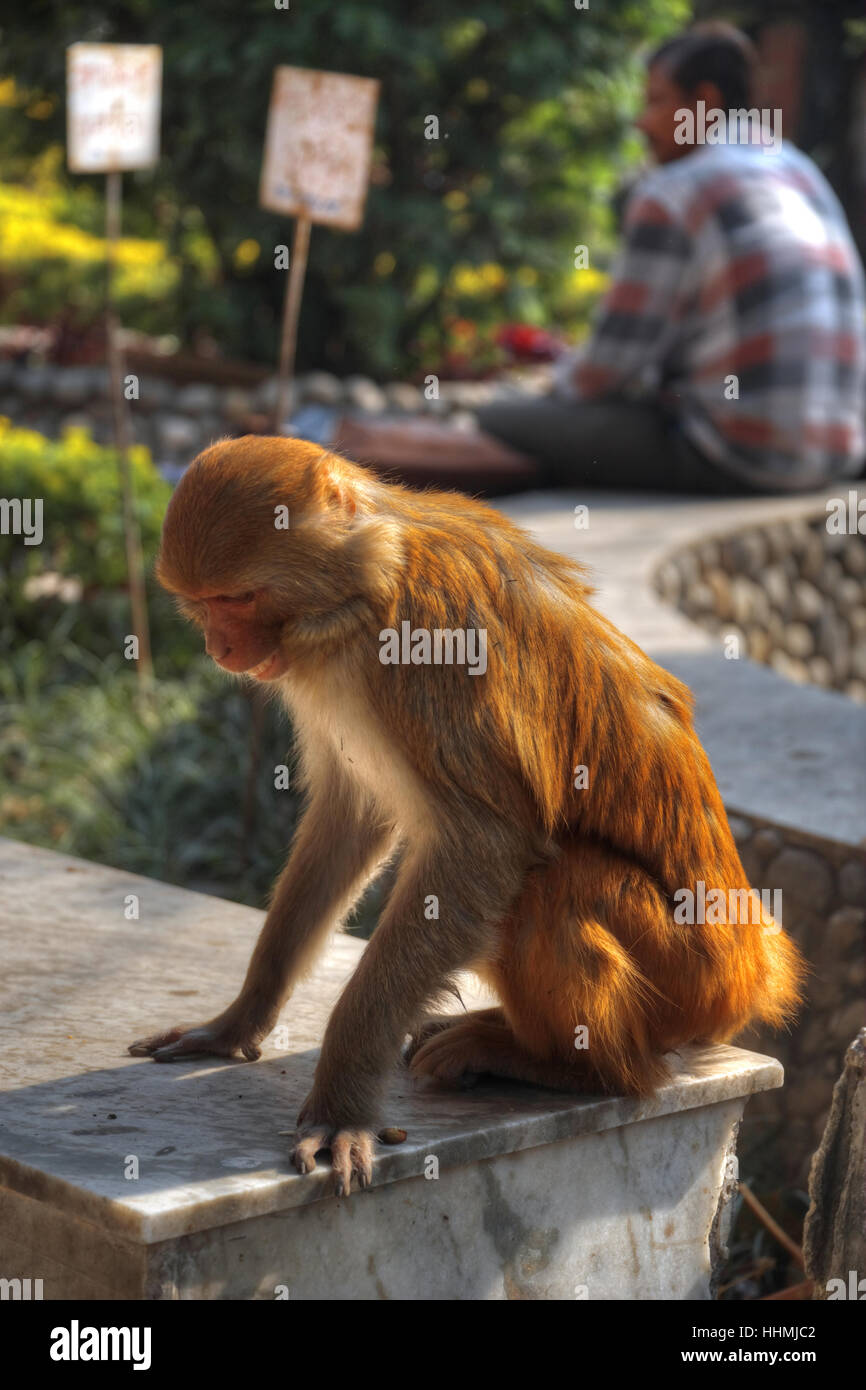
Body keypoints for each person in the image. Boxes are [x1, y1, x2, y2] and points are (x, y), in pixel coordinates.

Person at [291, 21, 866, 496]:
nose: (641, 122)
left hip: (745, 455)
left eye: (656, 102)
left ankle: (328, 454)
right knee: (560, 435)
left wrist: (546, 390)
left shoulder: (675, 190)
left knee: (506, 422)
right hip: (835, 451)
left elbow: (604, 372)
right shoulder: (794, 166)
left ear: (704, 103)